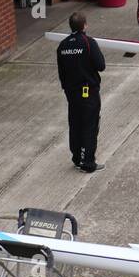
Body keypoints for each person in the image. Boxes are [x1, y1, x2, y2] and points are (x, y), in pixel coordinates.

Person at [56, 11, 106, 172]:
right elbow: (101, 66)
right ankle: (87, 162)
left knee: (75, 124)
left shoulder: (62, 45)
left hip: (71, 93)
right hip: (87, 92)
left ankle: (77, 158)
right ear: (85, 25)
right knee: (89, 125)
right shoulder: (88, 42)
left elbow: (61, 72)